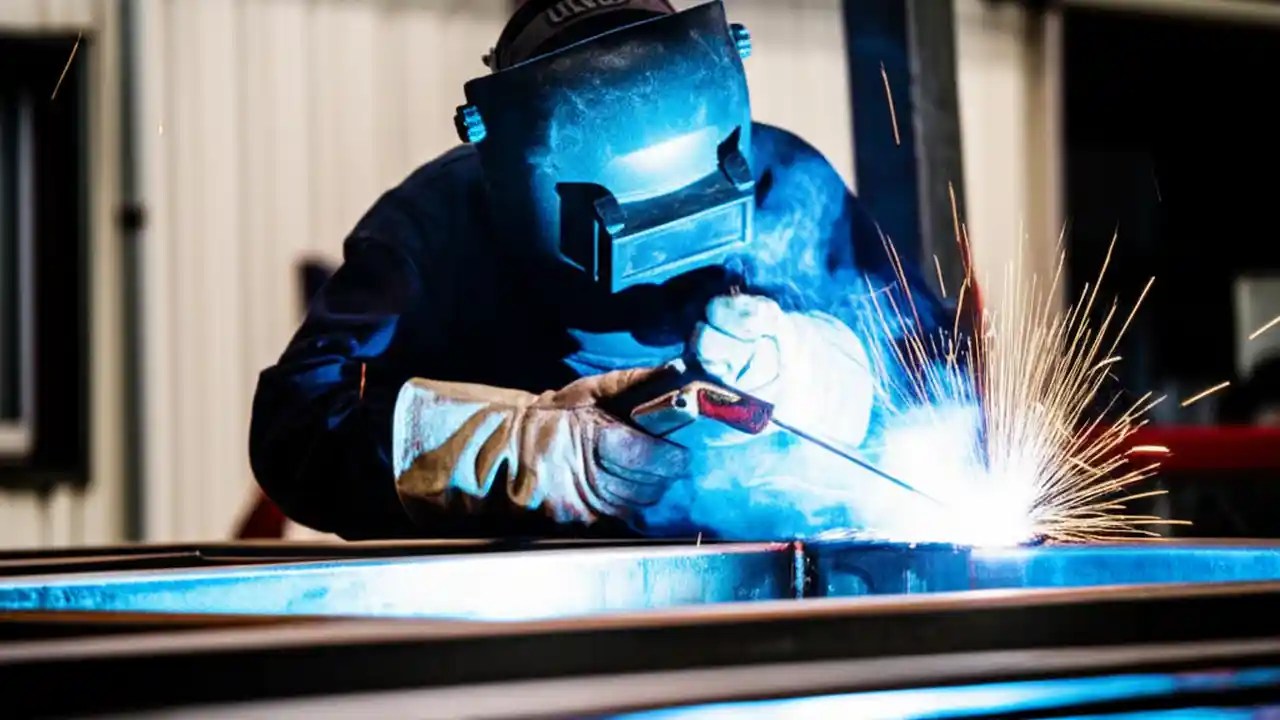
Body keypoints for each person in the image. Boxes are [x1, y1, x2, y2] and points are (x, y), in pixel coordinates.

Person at [248, 0, 950, 541]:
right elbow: (293, 429)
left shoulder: (784, 188)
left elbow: (941, 377)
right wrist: (507, 450)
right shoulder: (436, 227)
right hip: (519, 625)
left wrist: (825, 374)